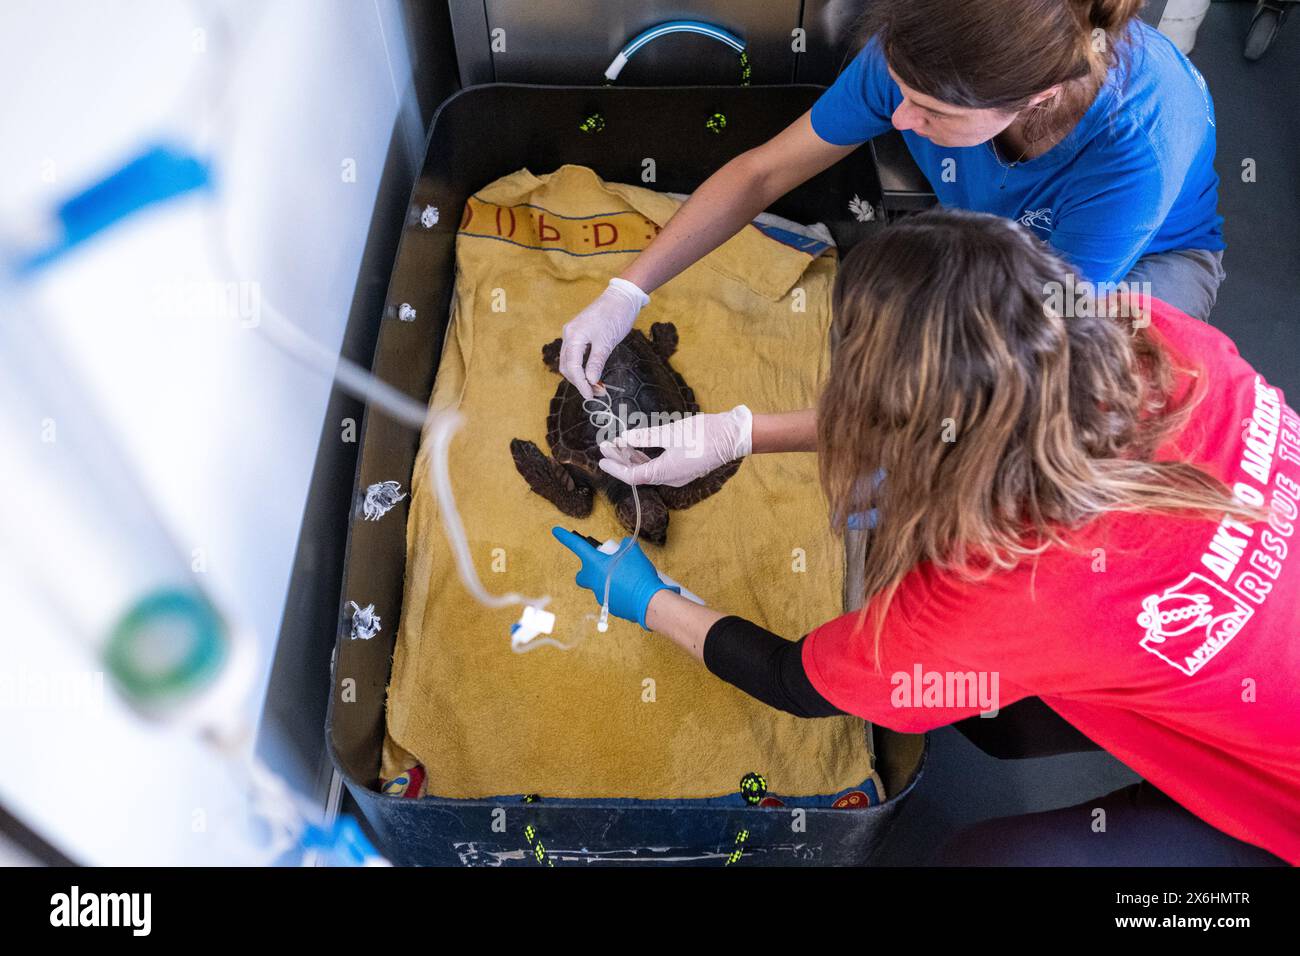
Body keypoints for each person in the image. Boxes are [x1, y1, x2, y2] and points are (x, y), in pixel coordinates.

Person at [553, 209, 1298, 866]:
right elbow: (980, 405)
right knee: (992, 713)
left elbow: (796, 681)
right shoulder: (1156, 339)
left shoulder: (1001, 592)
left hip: (1282, 805)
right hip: (1248, 682)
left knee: (980, 859)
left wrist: (649, 599)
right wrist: (742, 433)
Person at [562, 0, 1226, 492]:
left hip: (1141, 267)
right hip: (995, 229)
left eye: (933, 113)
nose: (901, 120)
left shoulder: (1138, 147)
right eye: (901, 97)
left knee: (1017, 443)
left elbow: (1003, 368)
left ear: (1035, 101)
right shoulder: (917, 59)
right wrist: (627, 289)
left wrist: (741, 435)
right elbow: (764, 172)